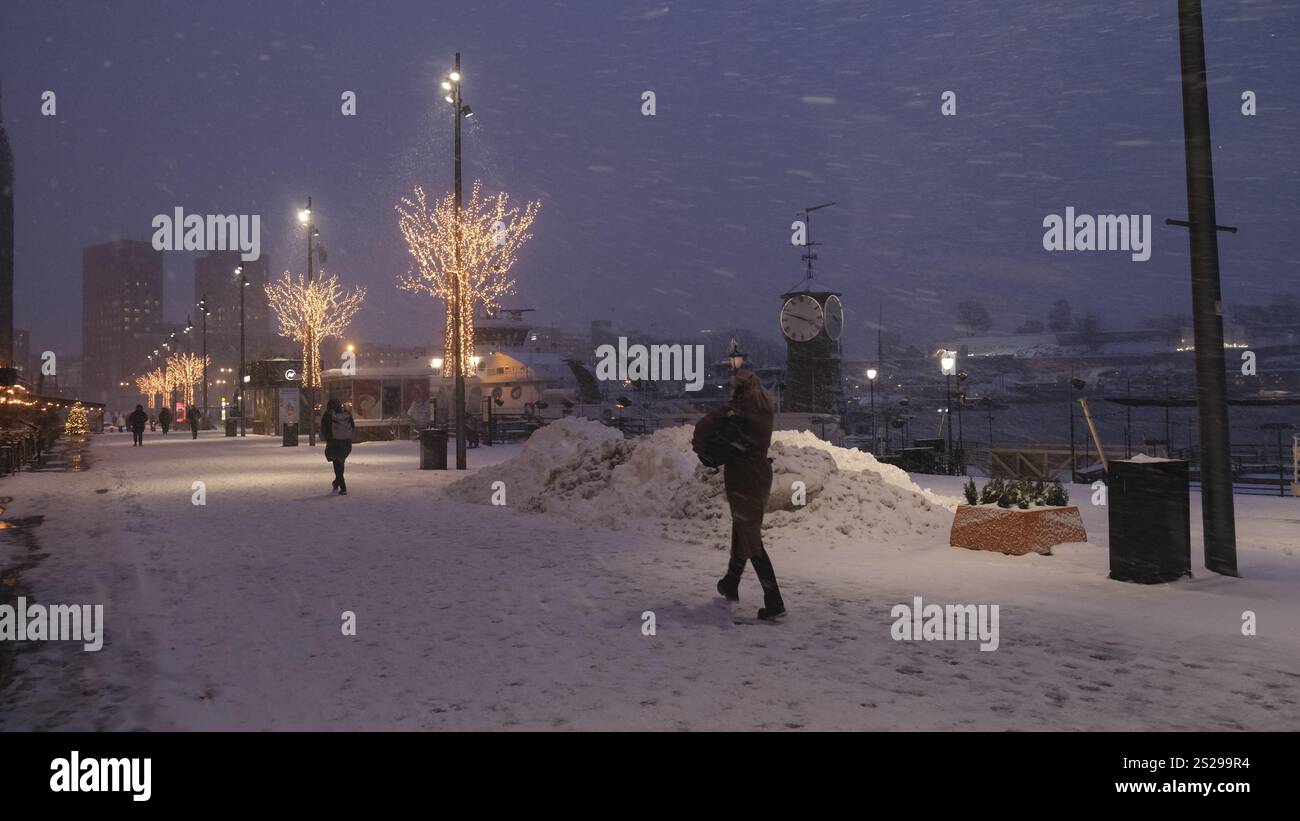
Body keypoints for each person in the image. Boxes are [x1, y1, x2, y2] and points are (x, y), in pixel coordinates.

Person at [700, 370, 786, 621]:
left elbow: (728, 438)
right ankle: (731, 581)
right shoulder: (764, 408)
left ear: (739, 388)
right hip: (759, 472)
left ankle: (774, 601)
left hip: (743, 474)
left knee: (749, 534)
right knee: (744, 525)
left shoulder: (740, 410)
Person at [320, 397, 355, 495]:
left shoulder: (328, 415)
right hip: (346, 442)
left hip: (334, 442)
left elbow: (324, 428)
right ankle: (336, 483)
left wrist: (328, 438)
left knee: (337, 464)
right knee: (341, 463)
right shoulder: (346, 414)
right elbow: (352, 426)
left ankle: (343, 487)